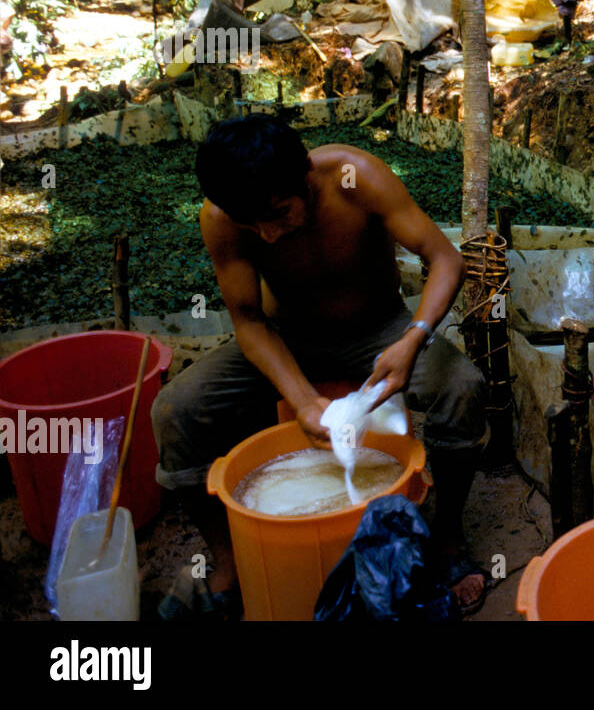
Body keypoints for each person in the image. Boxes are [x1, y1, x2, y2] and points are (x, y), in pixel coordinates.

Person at [151, 114, 491, 618]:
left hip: (379, 330)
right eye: (252, 224)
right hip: (286, 335)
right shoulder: (223, 217)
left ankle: (446, 540)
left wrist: (414, 338)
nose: (267, 235)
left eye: (279, 212)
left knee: (462, 386)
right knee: (175, 410)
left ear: (306, 175)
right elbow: (248, 322)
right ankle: (229, 565)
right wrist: (305, 398)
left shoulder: (356, 177)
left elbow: (445, 259)